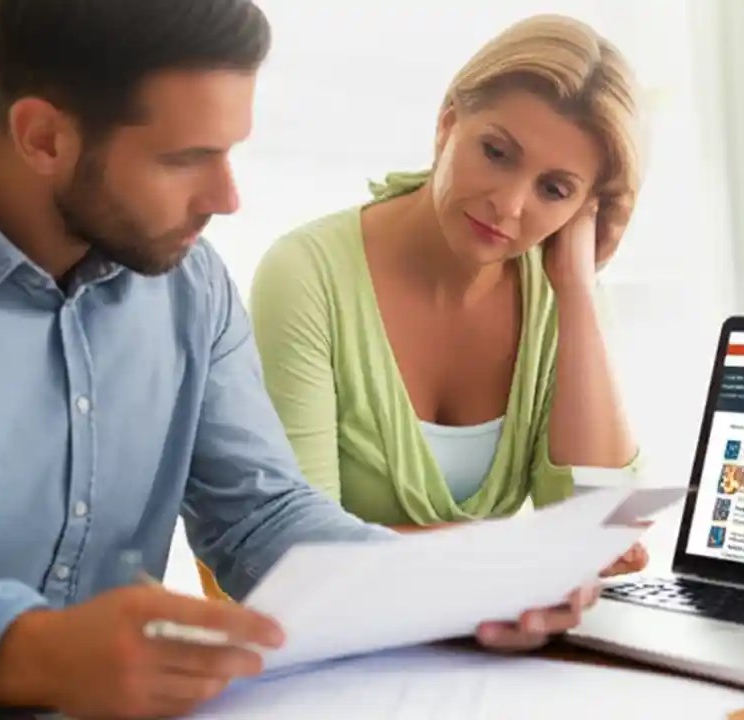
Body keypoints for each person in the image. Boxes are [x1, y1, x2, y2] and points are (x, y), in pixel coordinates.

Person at [0, 2, 599, 718]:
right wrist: (25, 652)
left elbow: (260, 516)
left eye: (231, 150)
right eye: (185, 158)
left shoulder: (186, 279)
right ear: (44, 137)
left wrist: (456, 592)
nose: (226, 197)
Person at [197, 15, 650, 602]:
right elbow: (295, 554)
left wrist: (579, 294)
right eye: (496, 152)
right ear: (447, 125)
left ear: (585, 211)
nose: (509, 204)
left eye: (555, 190)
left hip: (491, 643)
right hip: (331, 656)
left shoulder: (556, 295)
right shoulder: (308, 275)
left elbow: (597, 528)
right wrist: (516, 555)